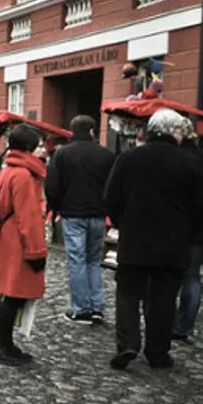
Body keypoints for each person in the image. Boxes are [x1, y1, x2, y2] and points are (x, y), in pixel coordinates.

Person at [105, 108, 203, 370]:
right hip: (173, 242)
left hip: (135, 239)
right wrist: (188, 230)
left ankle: (128, 343)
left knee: (128, 293)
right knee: (164, 298)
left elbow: (110, 198)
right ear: (175, 132)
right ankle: (157, 351)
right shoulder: (190, 162)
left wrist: (124, 224)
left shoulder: (129, 158)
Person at [0, 125, 47, 366]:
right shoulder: (23, 174)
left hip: (9, 239)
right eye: (39, 145)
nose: (42, 149)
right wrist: (36, 251)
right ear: (29, 147)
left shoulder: (10, 169)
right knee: (14, 295)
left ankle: (2, 342)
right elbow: (28, 217)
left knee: (11, 294)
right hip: (19, 243)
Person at [45, 115, 115, 325]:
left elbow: (52, 186)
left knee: (77, 261)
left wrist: (55, 209)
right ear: (92, 131)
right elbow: (113, 186)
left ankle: (82, 308)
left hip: (73, 213)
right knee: (94, 260)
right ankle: (97, 306)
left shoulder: (62, 154)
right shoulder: (106, 155)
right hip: (98, 214)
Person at [174, 120, 203, 343]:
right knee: (192, 278)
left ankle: (165, 321)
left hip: (172, 226)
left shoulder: (171, 159)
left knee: (168, 277)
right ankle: (185, 326)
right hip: (198, 227)